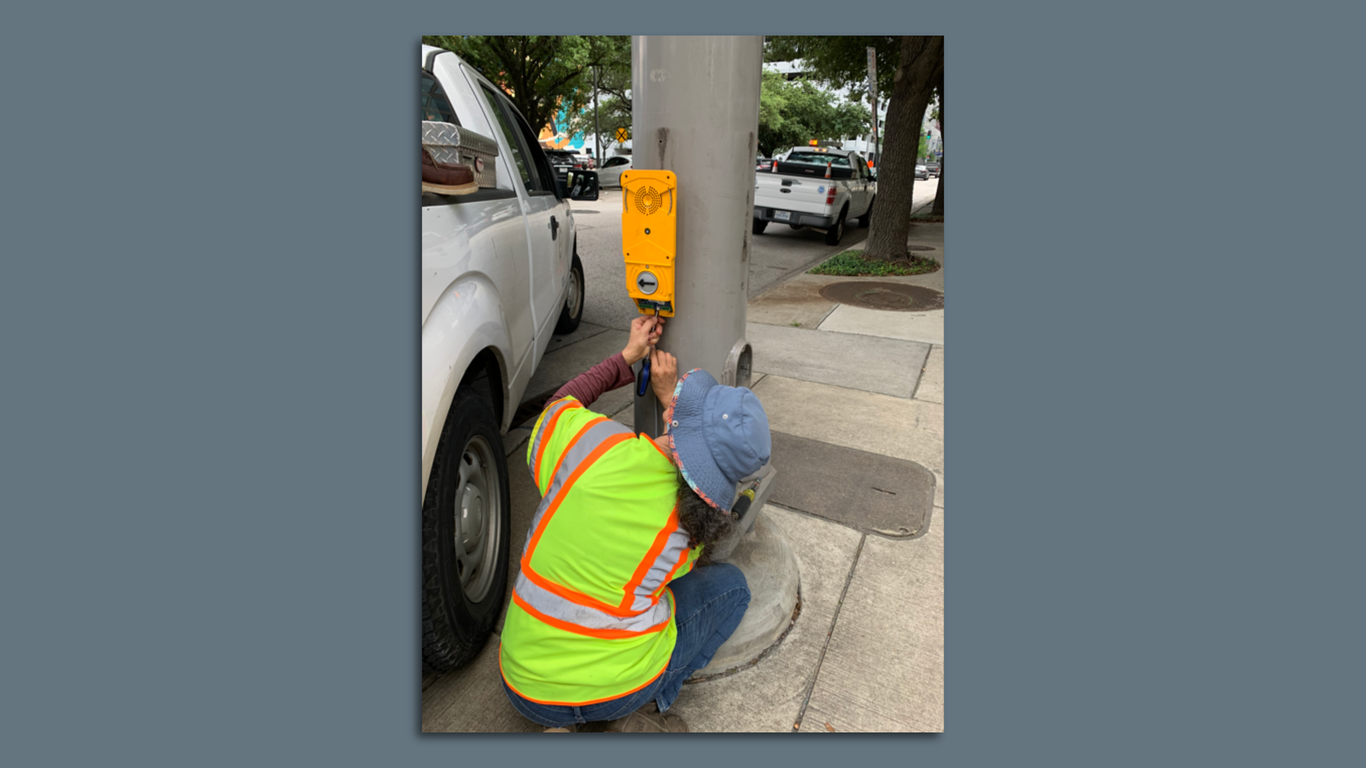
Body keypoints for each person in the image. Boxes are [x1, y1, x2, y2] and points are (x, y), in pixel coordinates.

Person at [500, 315, 772, 733]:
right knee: (732, 588)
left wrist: (629, 358)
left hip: (523, 686)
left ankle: (562, 726)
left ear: (682, 413)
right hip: (616, 687)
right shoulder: (689, 528)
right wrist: (681, 424)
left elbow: (562, 400)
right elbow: (672, 562)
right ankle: (637, 710)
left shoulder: (591, 445)